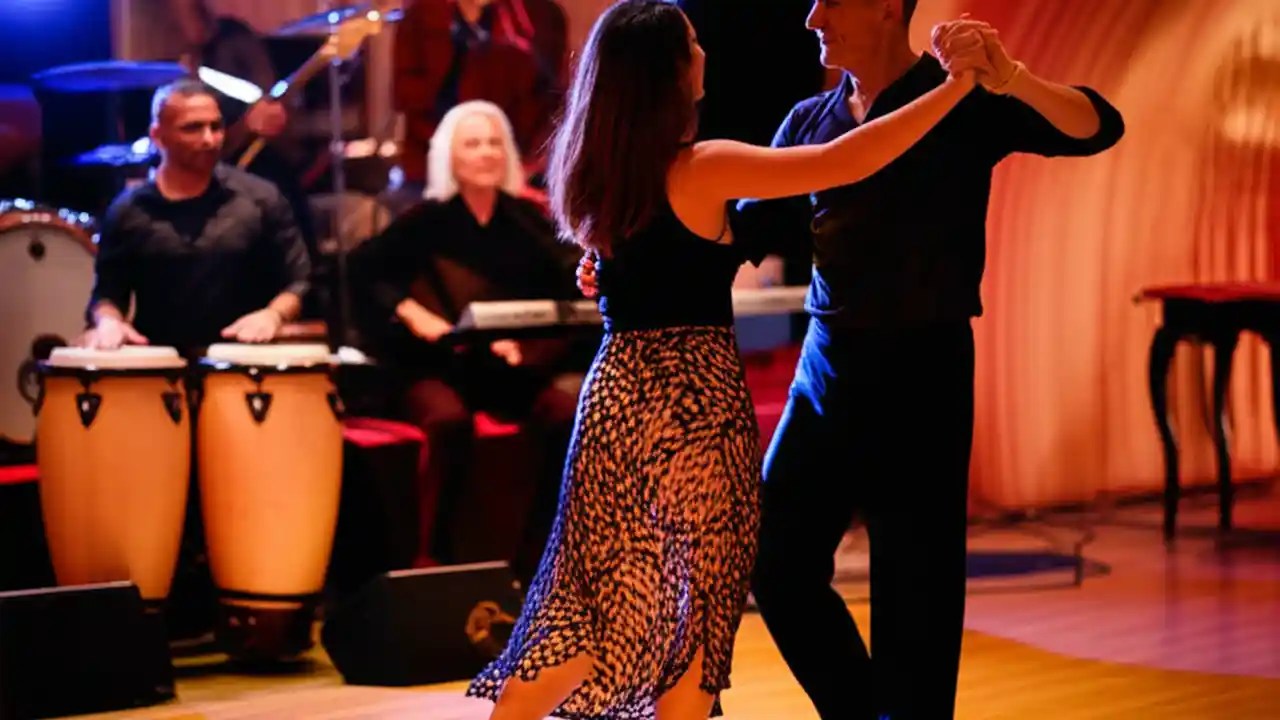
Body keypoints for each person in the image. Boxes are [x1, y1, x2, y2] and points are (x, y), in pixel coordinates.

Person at [464, 2, 988, 719]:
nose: (705, 51)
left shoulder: (601, 173)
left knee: (592, 607)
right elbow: (847, 159)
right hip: (697, 413)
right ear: (671, 74)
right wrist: (957, 87)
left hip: (615, 403)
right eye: (693, 43)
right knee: (698, 625)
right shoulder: (705, 166)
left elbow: (641, 263)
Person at [730, 3, 1120, 719]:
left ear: (885, 6)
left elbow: (1099, 126)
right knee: (777, 558)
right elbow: (735, 233)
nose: (812, 15)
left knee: (918, 599)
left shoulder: (963, 96)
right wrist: (618, 266)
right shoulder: (808, 119)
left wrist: (1014, 78)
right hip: (828, 370)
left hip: (924, 370)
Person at [80, 78, 312, 640]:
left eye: (216, 126)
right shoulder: (130, 209)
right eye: (193, 128)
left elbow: (301, 279)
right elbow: (105, 291)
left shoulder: (259, 198)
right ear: (157, 134)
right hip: (162, 378)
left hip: (243, 373)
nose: (210, 138)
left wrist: (273, 316)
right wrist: (109, 321)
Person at [347, 100, 587, 588]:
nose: (485, 153)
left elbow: (567, 294)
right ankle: (430, 559)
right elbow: (364, 271)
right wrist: (410, 312)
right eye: (472, 144)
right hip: (436, 364)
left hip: (505, 369)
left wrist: (531, 348)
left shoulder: (529, 222)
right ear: (450, 157)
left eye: (494, 142)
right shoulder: (425, 220)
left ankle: (539, 557)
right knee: (447, 420)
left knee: (568, 416)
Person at [391, 0, 559, 211]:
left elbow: (546, 105)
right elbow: (406, 96)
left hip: (507, 170)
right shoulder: (423, 16)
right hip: (432, 167)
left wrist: (523, 166)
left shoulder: (530, 18)